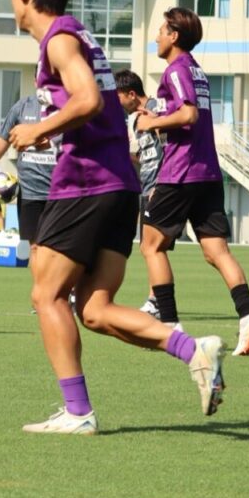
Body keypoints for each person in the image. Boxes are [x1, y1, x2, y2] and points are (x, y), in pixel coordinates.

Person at [4, 0, 223, 435]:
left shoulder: (59, 40)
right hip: (118, 185)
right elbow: (94, 110)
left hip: (86, 184)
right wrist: (53, 134)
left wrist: (40, 126)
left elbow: (84, 100)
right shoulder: (77, 35)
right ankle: (193, 349)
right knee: (95, 309)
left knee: (46, 295)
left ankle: (78, 412)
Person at [133, 8, 249, 356]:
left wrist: (152, 124)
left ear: (174, 36)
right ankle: (248, 316)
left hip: (181, 173)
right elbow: (184, 107)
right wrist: (158, 113)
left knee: (151, 246)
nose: (157, 36)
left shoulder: (176, 69)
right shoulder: (195, 69)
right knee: (216, 251)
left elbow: (188, 113)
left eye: (161, 30)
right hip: (208, 172)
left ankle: (170, 325)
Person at [114, 70, 167, 316]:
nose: (118, 104)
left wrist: (162, 182)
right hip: (147, 185)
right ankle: (157, 299)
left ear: (131, 94)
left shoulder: (156, 108)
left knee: (151, 246)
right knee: (151, 246)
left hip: (160, 185)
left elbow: (168, 144)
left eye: (119, 98)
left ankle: (156, 300)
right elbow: (144, 154)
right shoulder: (133, 118)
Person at [0, 86, 57, 247]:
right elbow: (3, 138)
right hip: (30, 193)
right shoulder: (22, 107)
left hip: (62, 193)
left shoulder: (69, 107)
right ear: (37, 80)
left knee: (59, 251)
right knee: (34, 248)